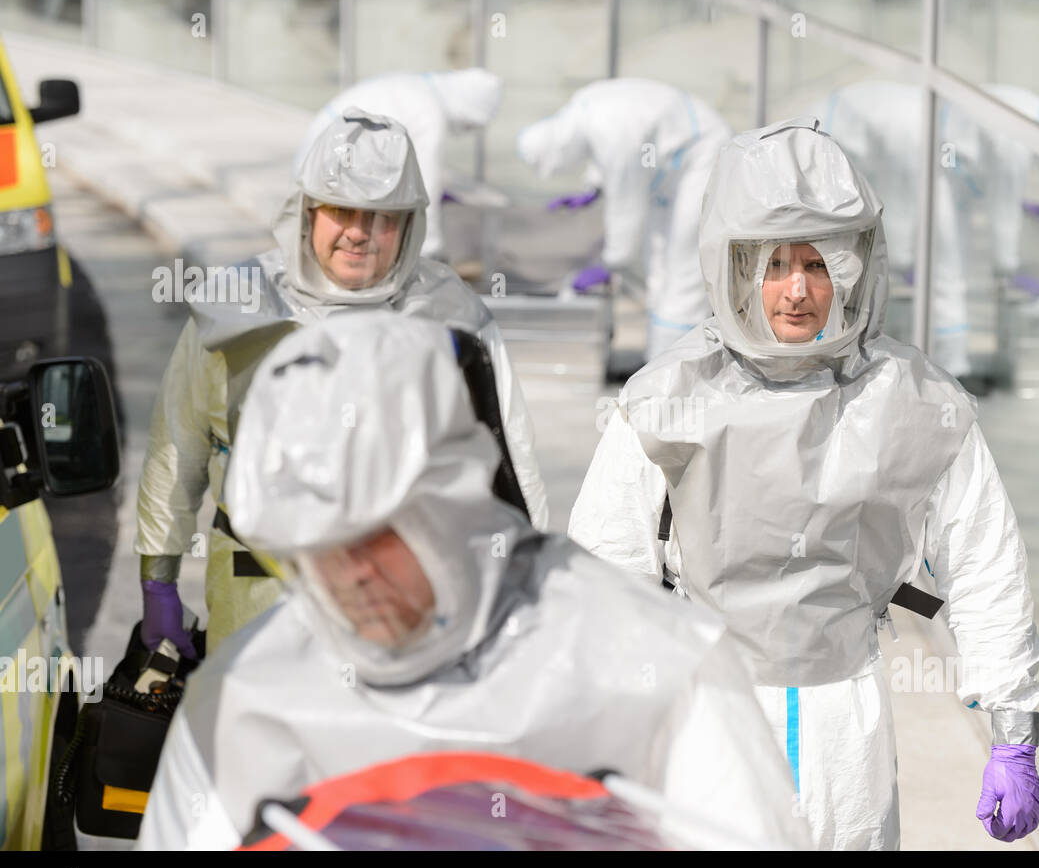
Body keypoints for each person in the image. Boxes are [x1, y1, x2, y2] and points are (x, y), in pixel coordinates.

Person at [134, 311, 810, 851]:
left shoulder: (651, 665)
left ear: (451, 503)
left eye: (374, 534)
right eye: (314, 550)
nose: (350, 577)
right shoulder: (245, 701)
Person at [568, 117, 1039, 850]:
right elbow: (605, 573)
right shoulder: (669, 399)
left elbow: (983, 559)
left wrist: (1012, 728)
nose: (797, 289)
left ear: (855, 268)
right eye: (774, 263)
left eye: (819, 264)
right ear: (734, 269)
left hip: (844, 724)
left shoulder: (911, 400)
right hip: (710, 718)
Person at [136, 108, 549, 660]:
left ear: (410, 224)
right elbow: (177, 449)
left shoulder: (452, 319)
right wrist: (157, 579)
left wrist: (526, 590)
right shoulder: (238, 307)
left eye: (382, 216)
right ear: (306, 211)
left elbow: (512, 467)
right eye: (341, 210)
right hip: (256, 603)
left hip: (408, 608)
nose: (359, 232)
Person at [822, 80, 1039, 391]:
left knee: (941, 263)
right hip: (894, 152)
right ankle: (946, 365)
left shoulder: (1031, 114)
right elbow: (1002, 200)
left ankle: (948, 364)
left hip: (937, 159)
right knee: (940, 262)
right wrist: (1005, 262)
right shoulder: (1020, 126)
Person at [517, 78, 732, 360]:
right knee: (659, 272)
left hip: (701, 158)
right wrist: (594, 187)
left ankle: (678, 373)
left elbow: (626, 209)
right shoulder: (585, 111)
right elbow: (611, 155)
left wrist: (612, 264)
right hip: (674, 167)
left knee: (684, 273)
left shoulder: (608, 128)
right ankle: (658, 362)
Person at [296, 69, 504, 260]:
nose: (464, 131)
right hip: (337, 173)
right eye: (469, 125)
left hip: (319, 162)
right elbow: (425, 187)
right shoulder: (428, 112)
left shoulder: (410, 87)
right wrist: (429, 249)